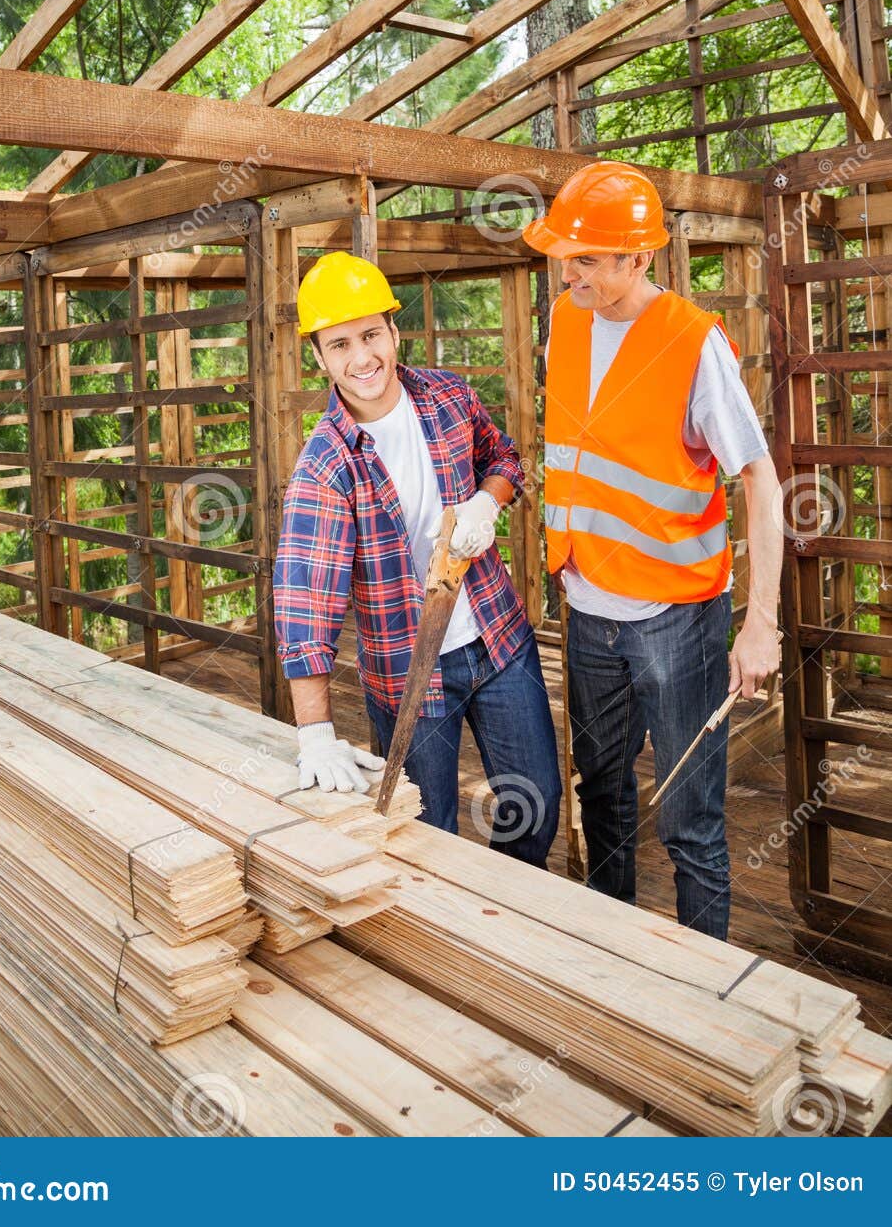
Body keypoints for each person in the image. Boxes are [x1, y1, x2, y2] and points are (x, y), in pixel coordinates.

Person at [523, 161, 782, 938]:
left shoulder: (692, 342)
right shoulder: (563, 320)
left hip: (676, 619)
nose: (572, 271)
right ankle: (618, 968)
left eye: (591, 258)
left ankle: (698, 998)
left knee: (686, 817)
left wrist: (760, 620)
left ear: (639, 259)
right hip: (585, 609)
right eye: (567, 254)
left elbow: (760, 483)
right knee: (600, 797)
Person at [272, 251, 561, 867]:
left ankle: (514, 920)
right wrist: (315, 733)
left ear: (394, 332)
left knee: (535, 808)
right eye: (341, 343)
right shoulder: (325, 468)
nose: (363, 357)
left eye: (372, 334)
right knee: (429, 838)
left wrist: (488, 500)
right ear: (319, 358)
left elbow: (504, 458)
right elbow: (306, 609)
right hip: (410, 671)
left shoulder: (448, 397)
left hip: (498, 640)